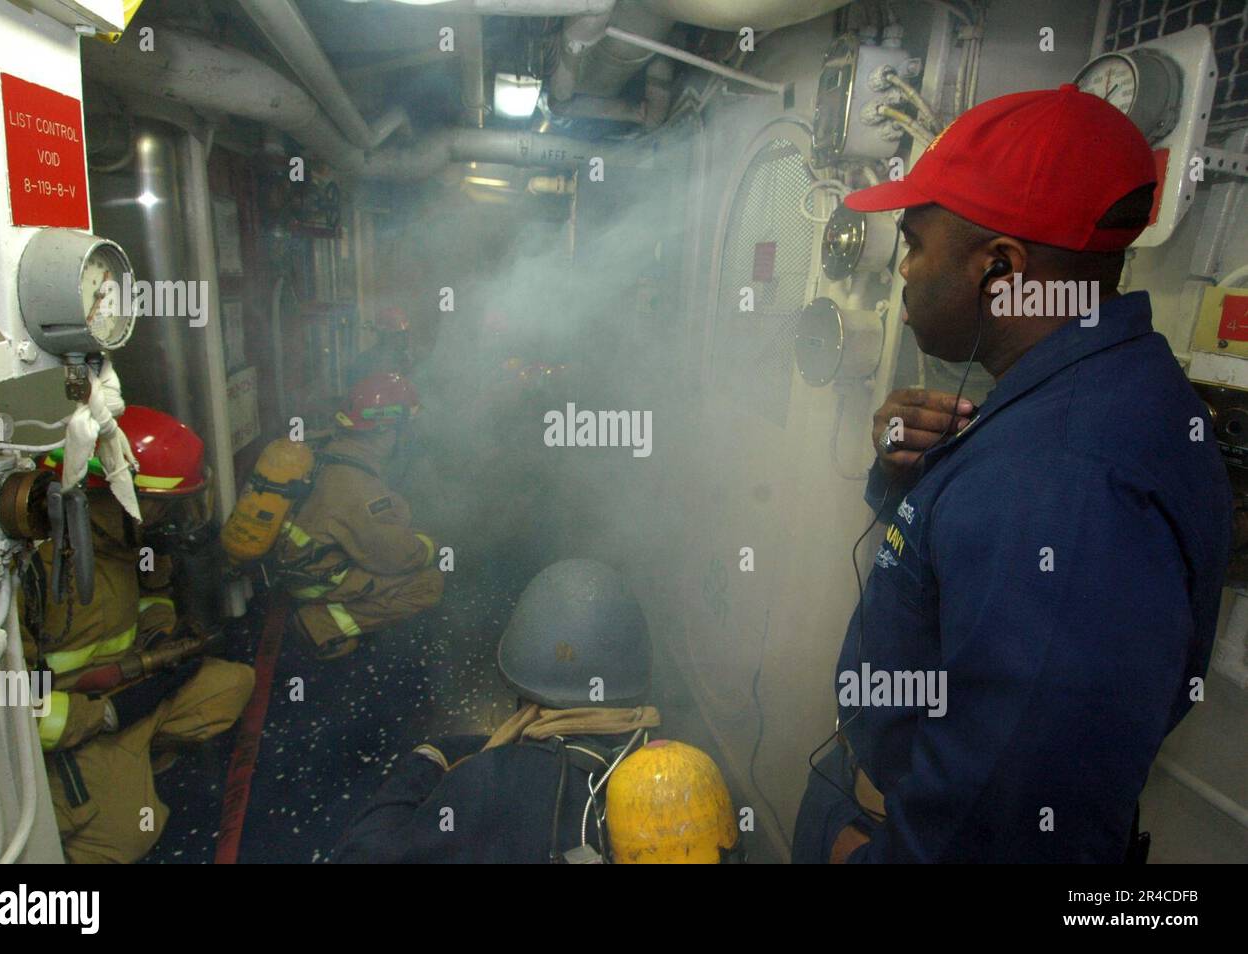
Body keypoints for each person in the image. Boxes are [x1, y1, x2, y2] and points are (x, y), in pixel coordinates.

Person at [792, 84, 1233, 863]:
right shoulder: (1090, 397)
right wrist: (908, 480)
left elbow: (1001, 822)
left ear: (1000, 269)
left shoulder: (1065, 484)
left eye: (915, 241)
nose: (902, 269)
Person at [331, 559, 731, 864]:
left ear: (521, 674)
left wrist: (425, 763)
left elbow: (361, 855)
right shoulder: (683, 771)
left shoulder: (487, 782)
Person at [24, 406, 255, 864]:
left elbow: (152, 596)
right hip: (76, 725)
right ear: (108, 493)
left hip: (128, 689)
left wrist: (161, 639)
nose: (163, 518)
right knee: (129, 840)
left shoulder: (123, 539)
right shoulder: (33, 568)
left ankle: (135, 756)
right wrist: (109, 714)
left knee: (232, 685)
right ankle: (109, 776)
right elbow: (3, 700)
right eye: (156, 504)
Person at [269, 371, 443, 659]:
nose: (408, 436)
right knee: (428, 583)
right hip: (314, 582)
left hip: (298, 561)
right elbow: (395, 556)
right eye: (405, 428)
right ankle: (320, 624)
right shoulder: (359, 487)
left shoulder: (327, 447)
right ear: (385, 431)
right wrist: (429, 547)